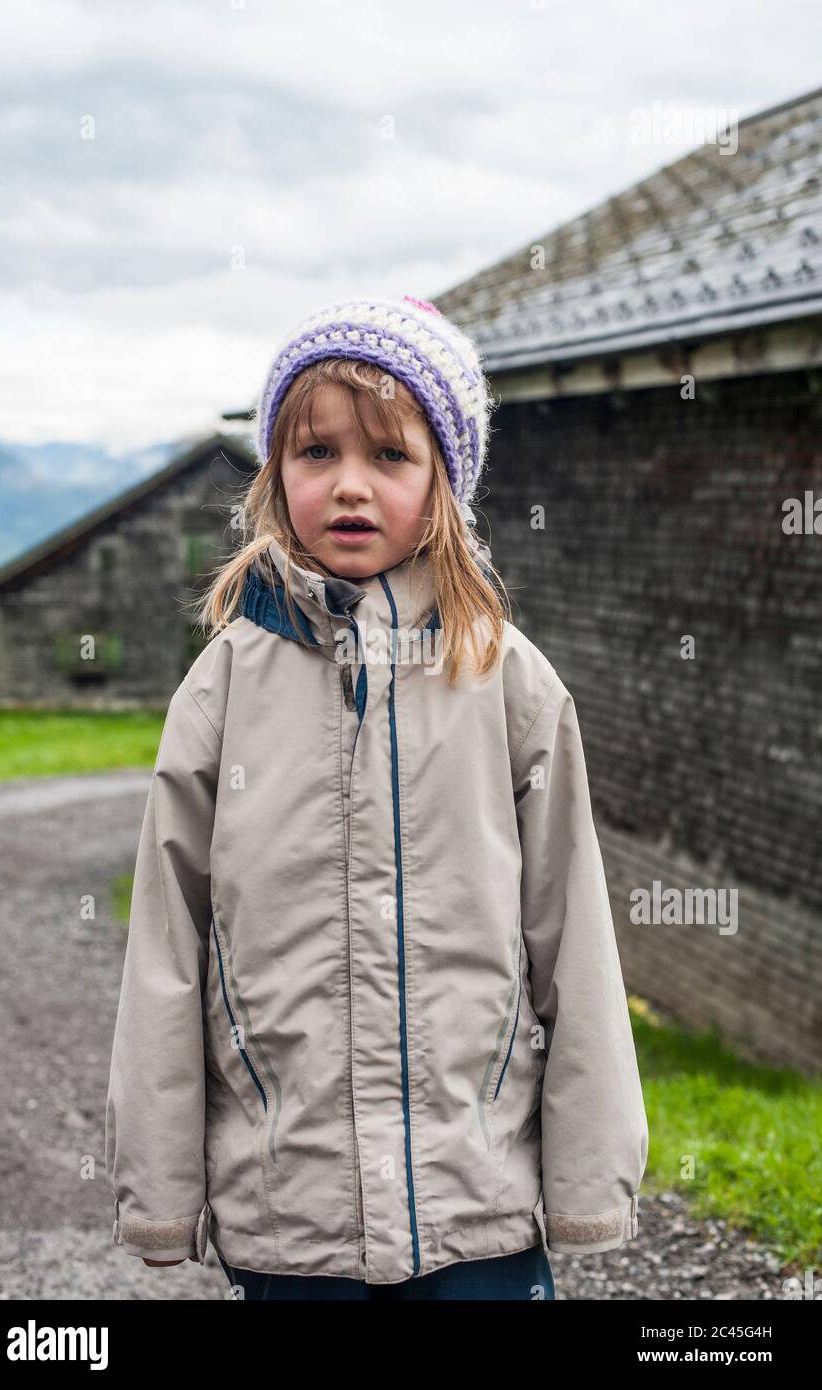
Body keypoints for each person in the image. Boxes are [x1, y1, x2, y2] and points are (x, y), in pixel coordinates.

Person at [104, 294, 648, 1301]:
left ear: (444, 479)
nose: (349, 485)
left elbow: (570, 938)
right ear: (274, 477)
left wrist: (585, 1181)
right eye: (315, 453)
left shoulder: (510, 684)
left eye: (389, 456)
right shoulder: (222, 689)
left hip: (474, 1208)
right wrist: (160, 1189)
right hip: (289, 1219)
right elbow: (167, 956)